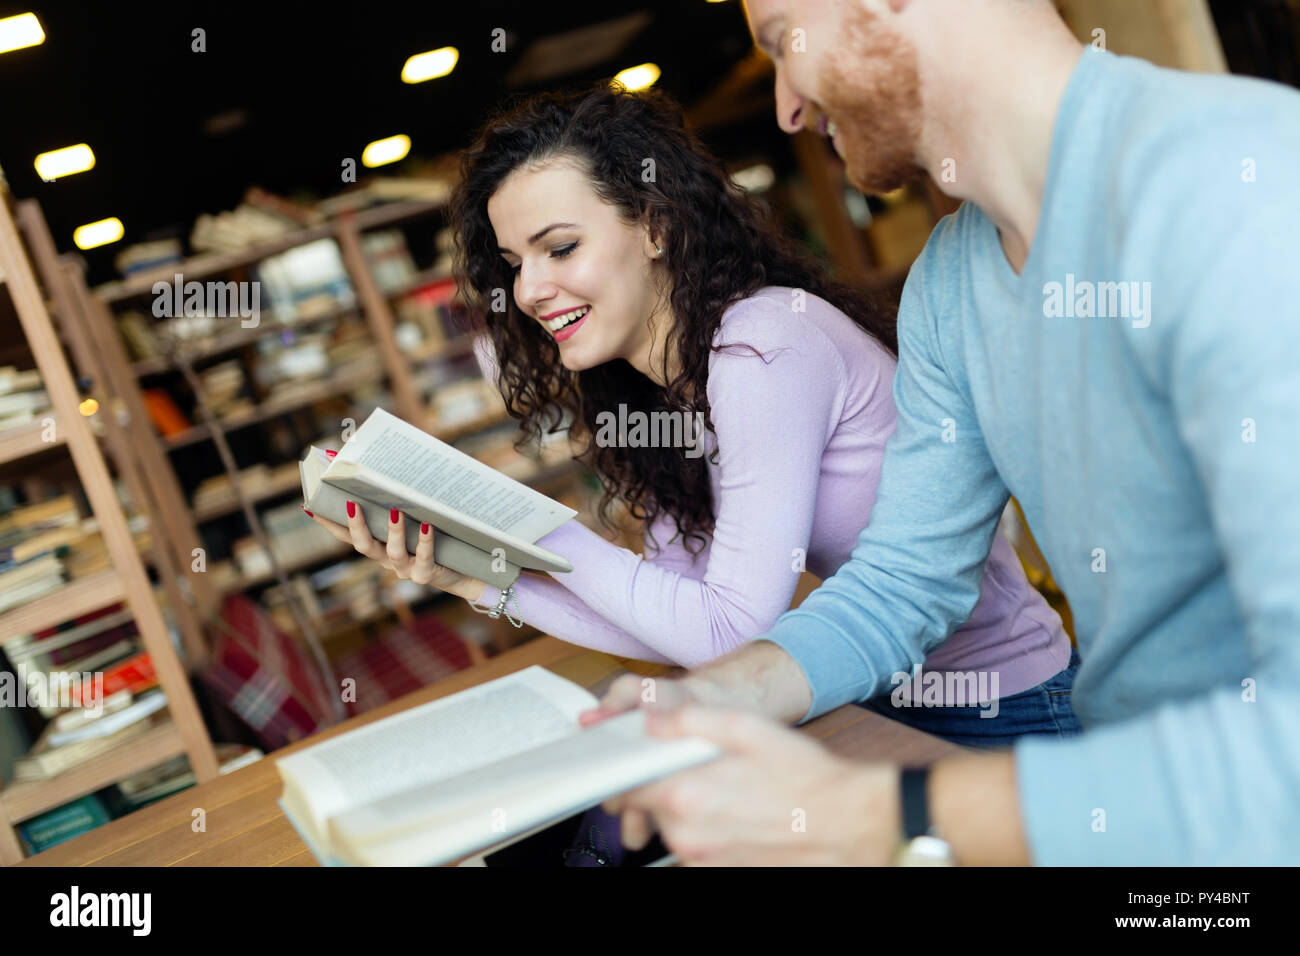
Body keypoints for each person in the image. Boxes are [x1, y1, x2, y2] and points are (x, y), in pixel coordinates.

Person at [589, 0, 1300, 866]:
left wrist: (870, 813)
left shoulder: (1240, 185)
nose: (785, 106)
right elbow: (903, 582)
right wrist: (714, 699)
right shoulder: (949, 283)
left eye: (783, 43)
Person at [308, 83, 1081, 758]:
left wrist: (533, 528)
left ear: (655, 225)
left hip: (1004, 712)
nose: (530, 288)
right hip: (866, 705)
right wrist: (482, 577)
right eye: (514, 264)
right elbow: (681, 627)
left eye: (559, 248)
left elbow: (732, 636)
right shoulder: (666, 391)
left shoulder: (762, 345)